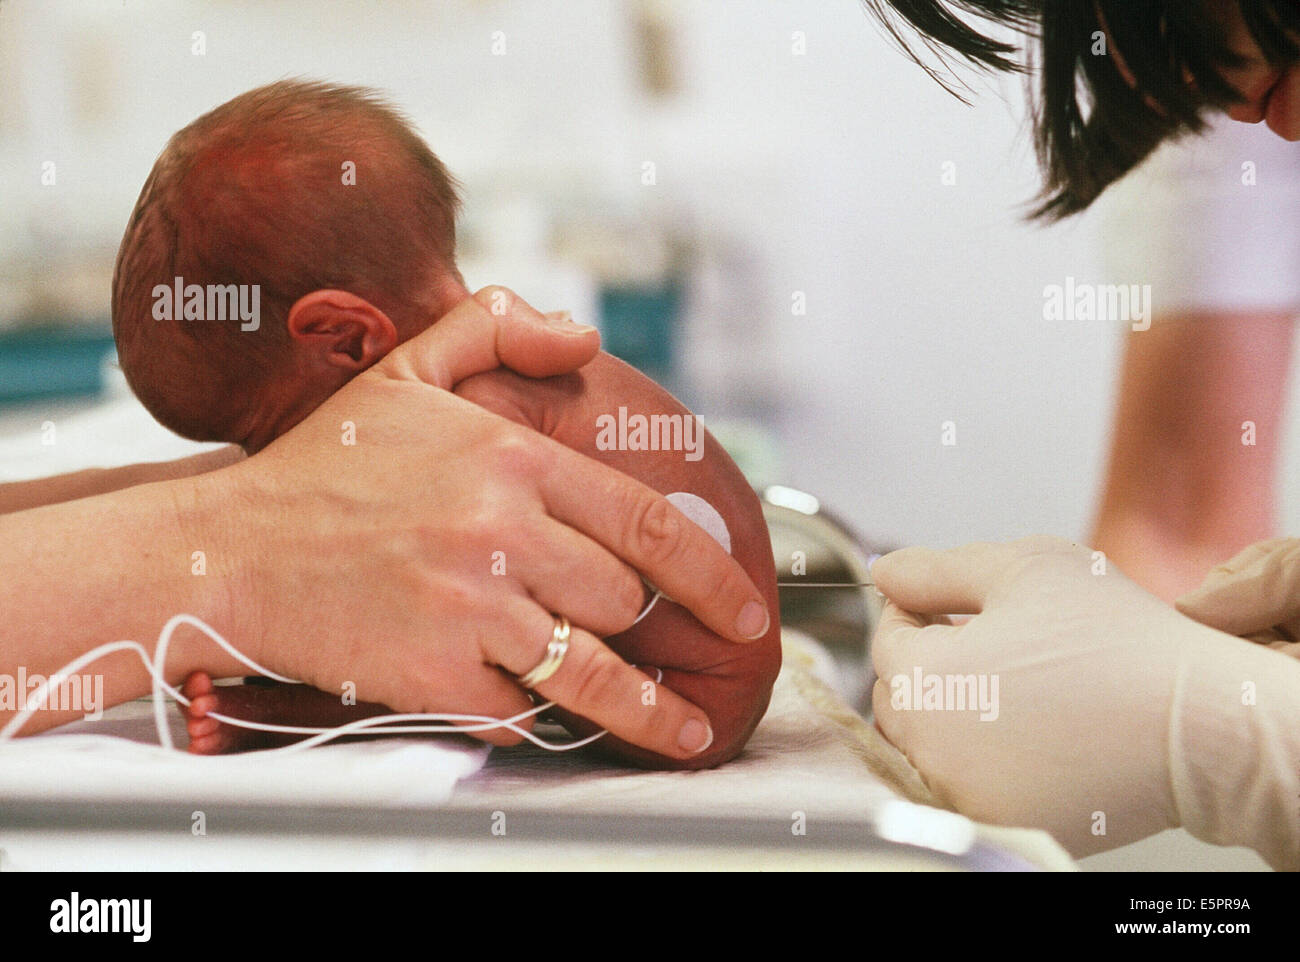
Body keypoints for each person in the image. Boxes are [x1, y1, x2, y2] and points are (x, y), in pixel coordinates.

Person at [107, 80, 781, 768]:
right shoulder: (487, 368)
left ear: (345, 339)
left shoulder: (475, 410)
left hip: (683, 694)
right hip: (669, 677)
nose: (274, 465)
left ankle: (291, 714)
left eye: (263, 430)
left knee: (419, 637)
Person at [862, 0, 1300, 867]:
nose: (1261, 119)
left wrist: (1237, 735)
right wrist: (1109, 682)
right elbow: (1178, 533)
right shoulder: (1204, 59)